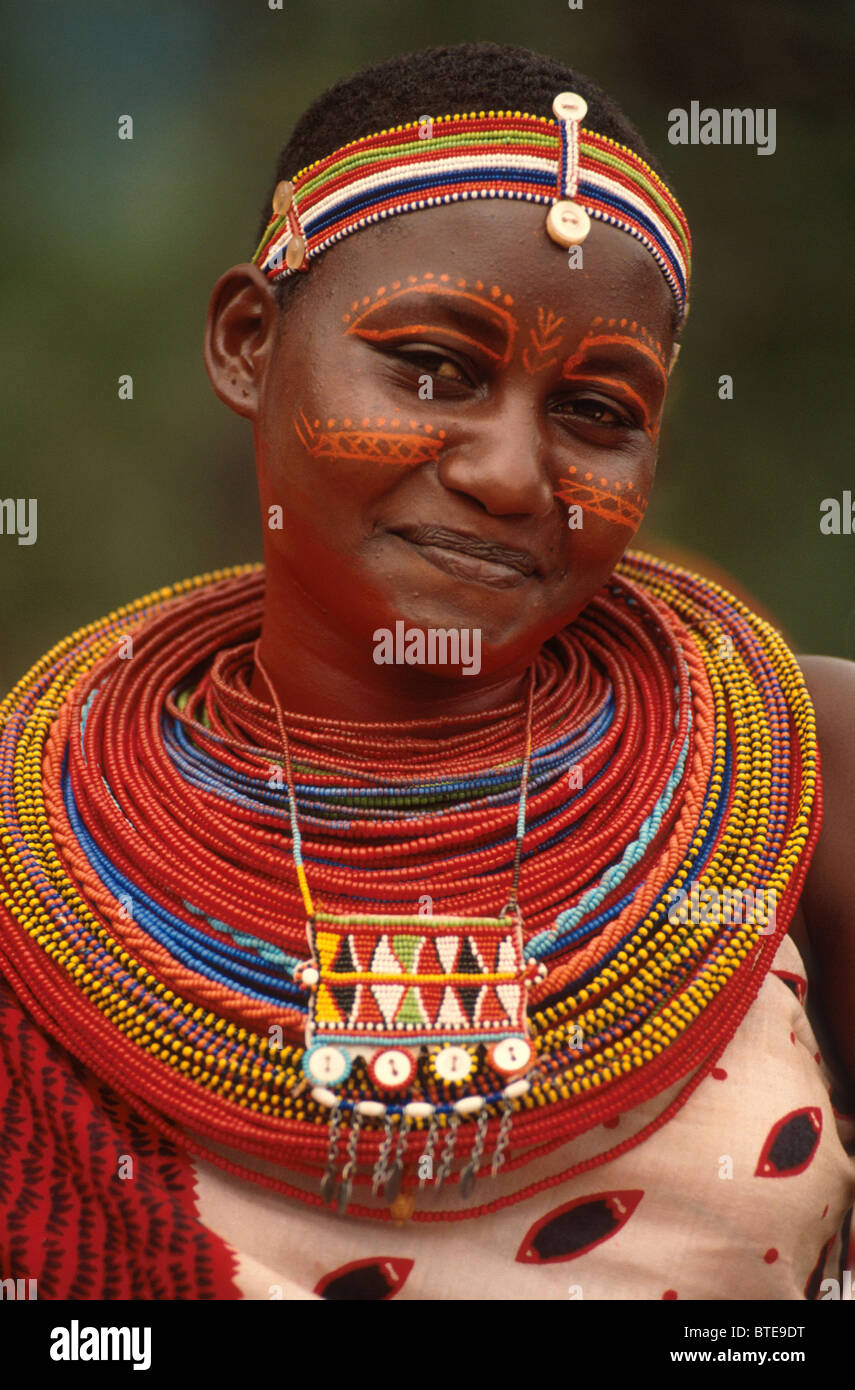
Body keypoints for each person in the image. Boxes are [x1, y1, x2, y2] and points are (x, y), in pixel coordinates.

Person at [1, 41, 853, 1303]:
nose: (512, 474)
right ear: (247, 342)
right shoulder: (35, 843)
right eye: (433, 369)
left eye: (598, 412)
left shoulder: (808, 764)